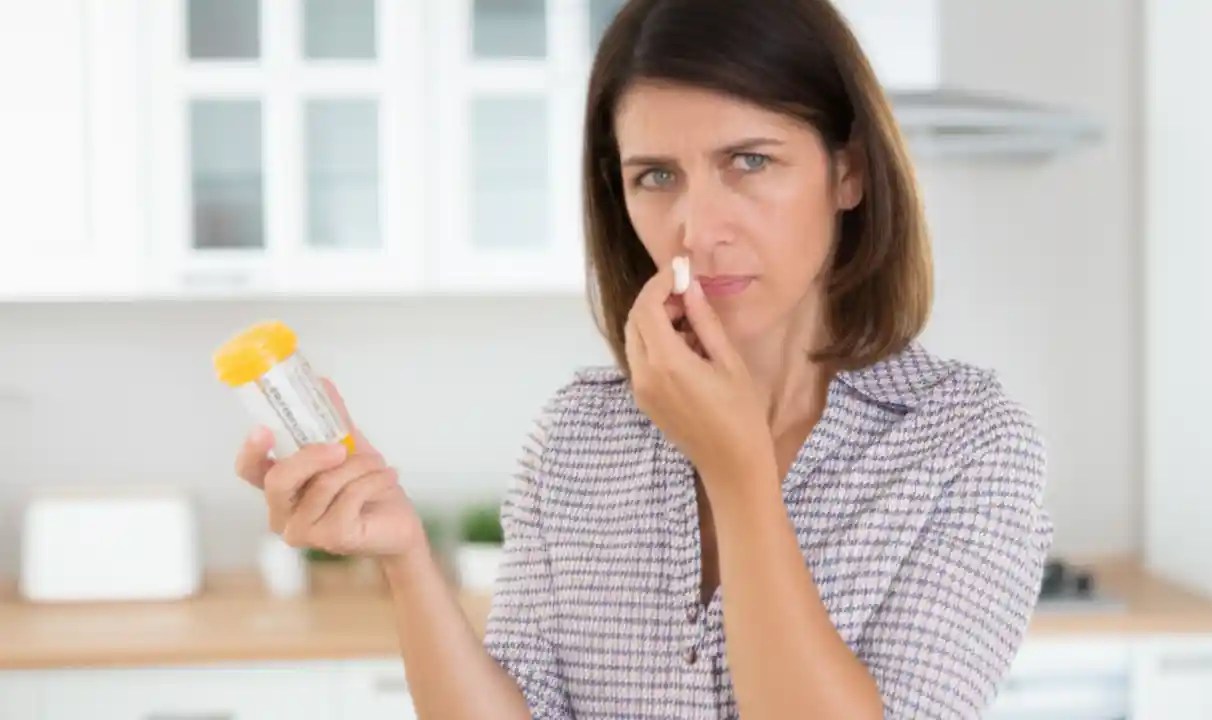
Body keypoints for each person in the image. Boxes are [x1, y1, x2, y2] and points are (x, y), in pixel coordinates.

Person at [234, 0, 1053, 717]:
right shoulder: (579, 434)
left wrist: (737, 475)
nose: (698, 228)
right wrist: (405, 560)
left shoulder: (967, 446)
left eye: (751, 161)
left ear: (849, 172)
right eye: (656, 175)